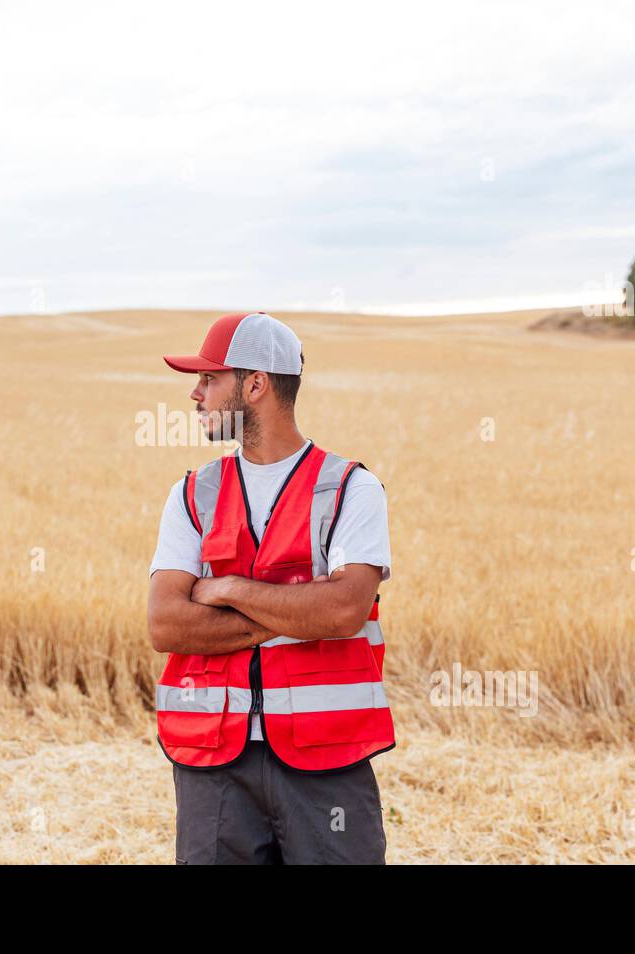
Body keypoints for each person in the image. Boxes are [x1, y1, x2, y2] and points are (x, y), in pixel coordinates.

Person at [147, 311, 395, 864]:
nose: (196, 394)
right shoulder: (191, 494)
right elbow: (166, 624)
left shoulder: (352, 489)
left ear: (255, 385)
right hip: (214, 762)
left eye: (210, 379)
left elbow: (343, 611)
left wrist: (229, 587)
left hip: (327, 759)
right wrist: (298, 610)